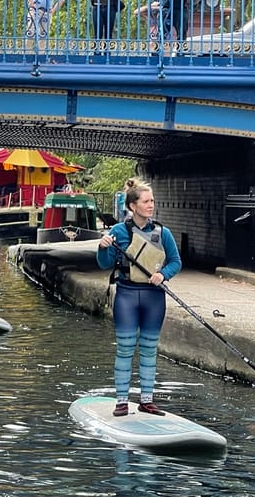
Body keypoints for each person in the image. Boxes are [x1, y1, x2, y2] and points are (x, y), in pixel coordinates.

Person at [96, 178, 181, 417]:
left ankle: (147, 400)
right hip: (127, 296)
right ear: (133, 206)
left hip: (154, 298)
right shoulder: (118, 232)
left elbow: (176, 262)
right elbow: (104, 264)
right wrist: (103, 248)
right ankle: (121, 401)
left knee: (149, 349)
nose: (151, 205)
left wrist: (163, 275)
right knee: (125, 348)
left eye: (152, 201)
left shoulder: (163, 232)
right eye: (146, 201)